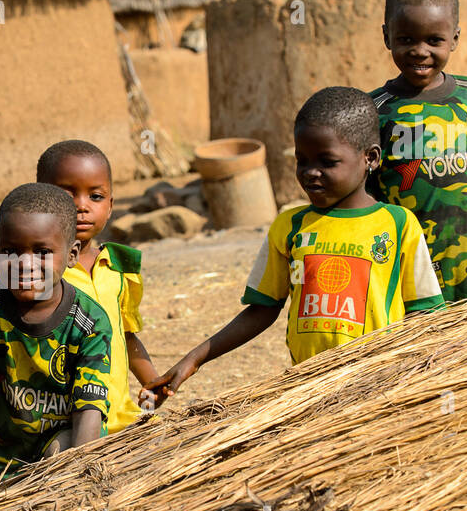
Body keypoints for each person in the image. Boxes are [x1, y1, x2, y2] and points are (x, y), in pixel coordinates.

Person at [147, 87, 445, 403]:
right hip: (310, 387)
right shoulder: (289, 226)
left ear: (370, 158)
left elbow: (423, 313)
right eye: (302, 160)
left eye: (327, 162)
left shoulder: (397, 225)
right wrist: (194, 359)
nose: (310, 173)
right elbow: (262, 309)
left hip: (377, 385)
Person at [0, 183, 113, 504]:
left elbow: (89, 409)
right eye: (10, 251)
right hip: (4, 454)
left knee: (59, 470)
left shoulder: (89, 321)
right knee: (4, 506)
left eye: (42, 252)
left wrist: (79, 477)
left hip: (69, 443)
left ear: (72, 254)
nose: (24, 263)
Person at [369, 0, 467, 303]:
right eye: (406, 40)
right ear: (387, 36)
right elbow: (365, 189)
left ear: (454, 38)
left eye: (434, 40)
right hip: (406, 258)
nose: (419, 51)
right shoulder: (377, 109)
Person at [38, 140, 158, 432]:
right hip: (61, 424)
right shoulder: (36, 274)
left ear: (111, 206)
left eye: (95, 196)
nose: (81, 206)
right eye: (68, 194)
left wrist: (154, 383)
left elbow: (125, 336)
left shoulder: (118, 267)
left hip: (119, 419)